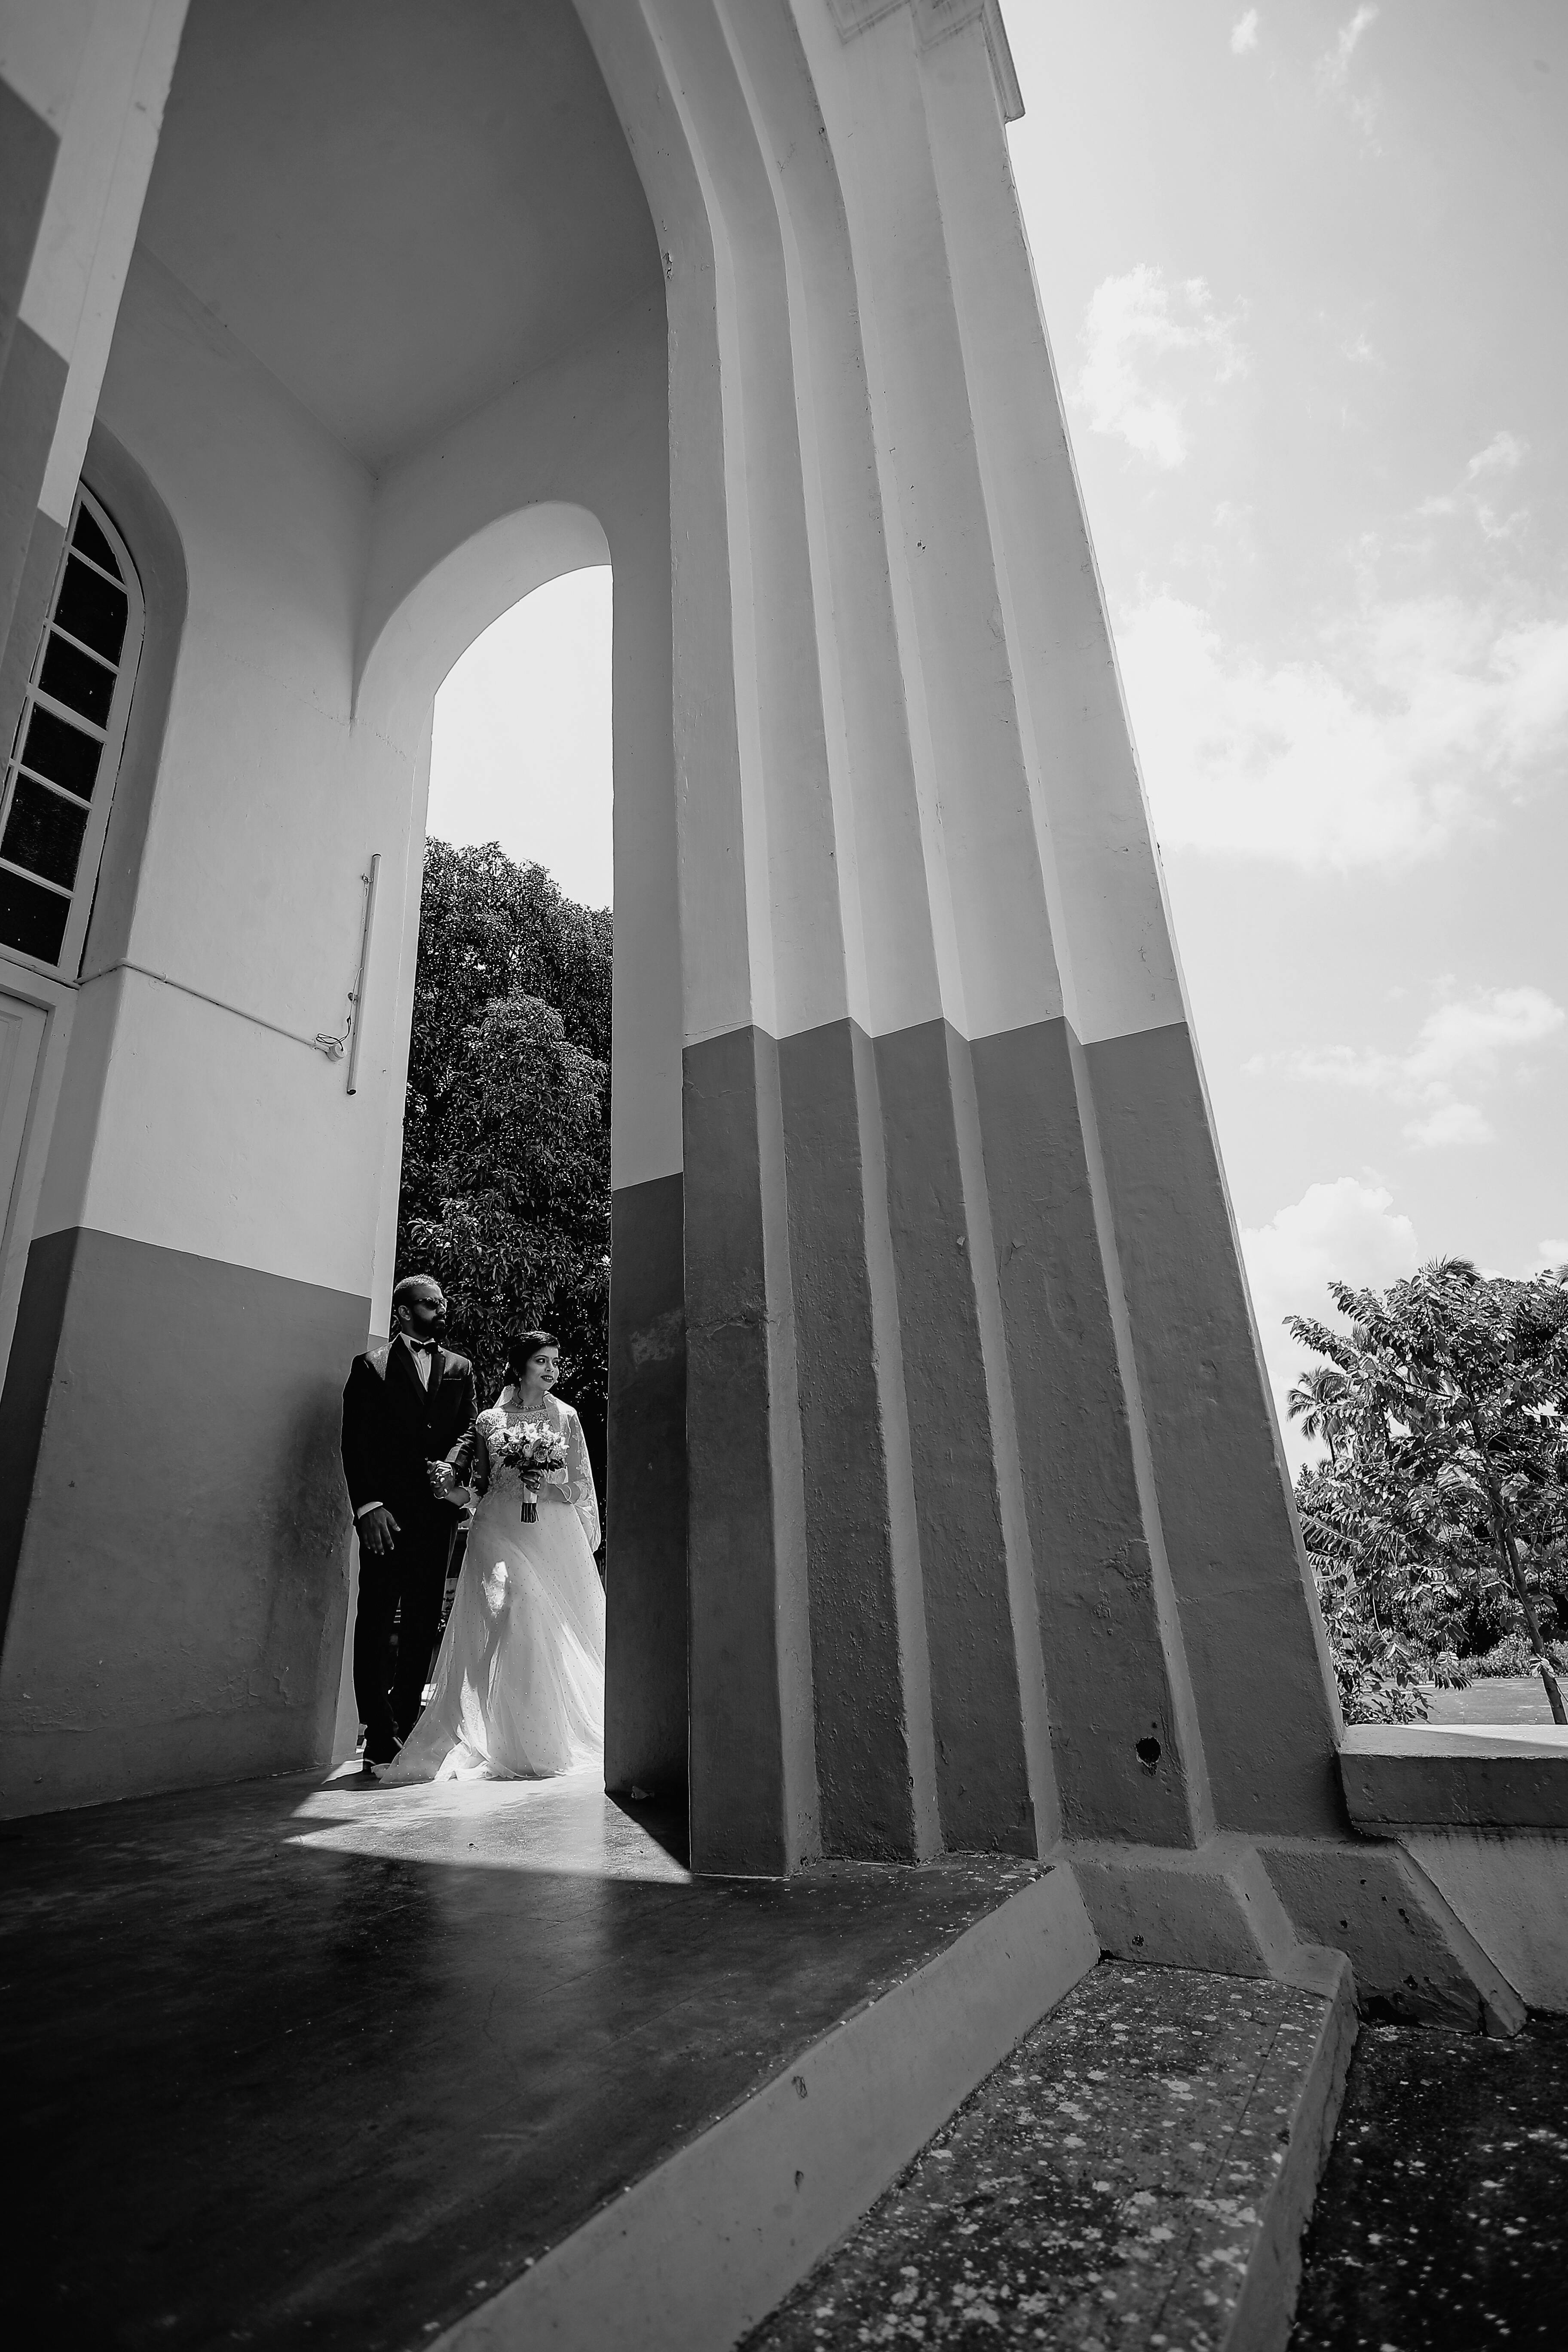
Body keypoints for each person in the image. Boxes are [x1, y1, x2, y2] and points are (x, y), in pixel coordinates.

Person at [383, 1330, 605, 1783]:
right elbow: (482, 1486)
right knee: (517, 1602)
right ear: (520, 1366)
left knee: (534, 1617)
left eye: (555, 1361)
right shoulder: (489, 1420)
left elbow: (582, 1486)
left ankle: (535, 1739)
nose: (551, 1370)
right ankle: (501, 1735)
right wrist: (449, 1493)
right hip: (495, 1528)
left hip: (547, 1530)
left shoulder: (566, 1417)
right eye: (542, 1361)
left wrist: (548, 1488)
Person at [340, 1276, 477, 1769]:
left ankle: (405, 1729)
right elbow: (356, 1442)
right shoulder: (370, 1367)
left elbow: (469, 1428)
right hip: (386, 1517)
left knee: (423, 1622)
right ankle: (379, 1734)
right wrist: (368, 1507)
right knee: (377, 1621)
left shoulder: (460, 1367)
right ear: (402, 1312)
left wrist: (454, 1467)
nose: (441, 1310)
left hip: (437, 1515)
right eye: (431, 1304)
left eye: (443, 1303)